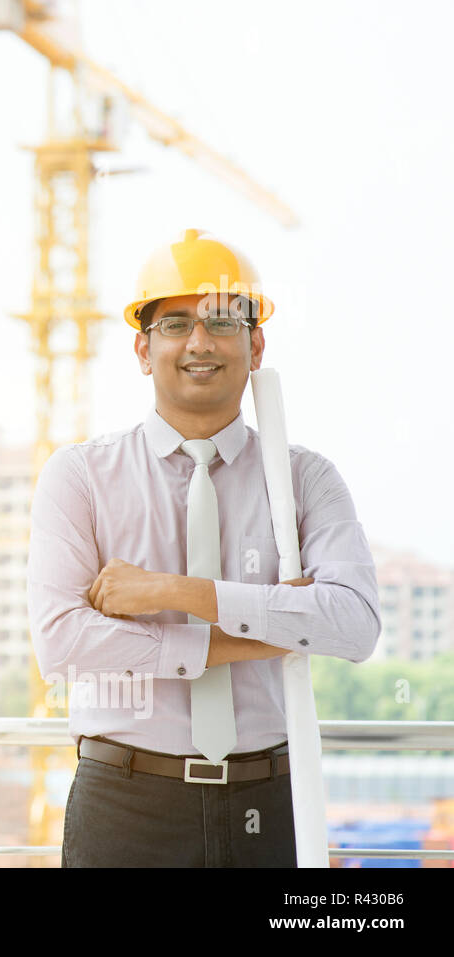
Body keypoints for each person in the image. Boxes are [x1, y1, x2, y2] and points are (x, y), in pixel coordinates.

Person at [26, 228, 380, 867]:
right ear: (142, 347)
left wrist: (169, 592)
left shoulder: (306, 479)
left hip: (271, 801)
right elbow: (64, 642)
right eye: (175, 324)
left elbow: (353, 625)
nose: (199, 342)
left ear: (256, 343)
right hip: (124, 805)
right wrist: (266, 629)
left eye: (222, 320)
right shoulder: (79, 475)